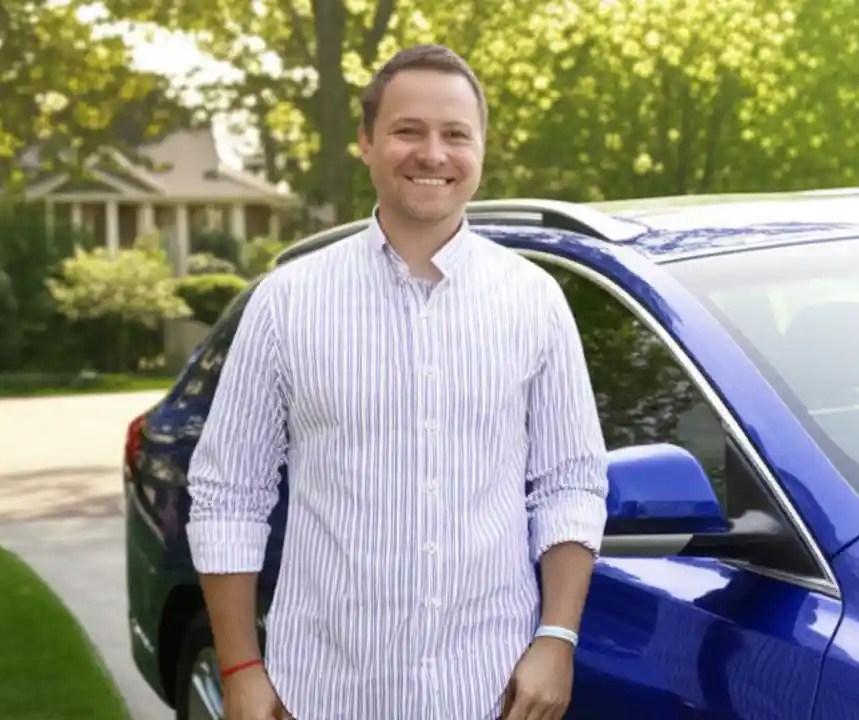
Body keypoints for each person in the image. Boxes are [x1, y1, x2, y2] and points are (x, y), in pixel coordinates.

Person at [185, 43, 609, 720]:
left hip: (490, 692)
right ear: (366, 141)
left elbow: (570, 484)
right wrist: (240, 668)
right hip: (324, 694)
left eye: (455, 135)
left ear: (481, 147)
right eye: (409, 131)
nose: (433, 154)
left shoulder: (534, 301)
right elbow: (228, 494)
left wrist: (557, 639)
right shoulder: (286, 302)